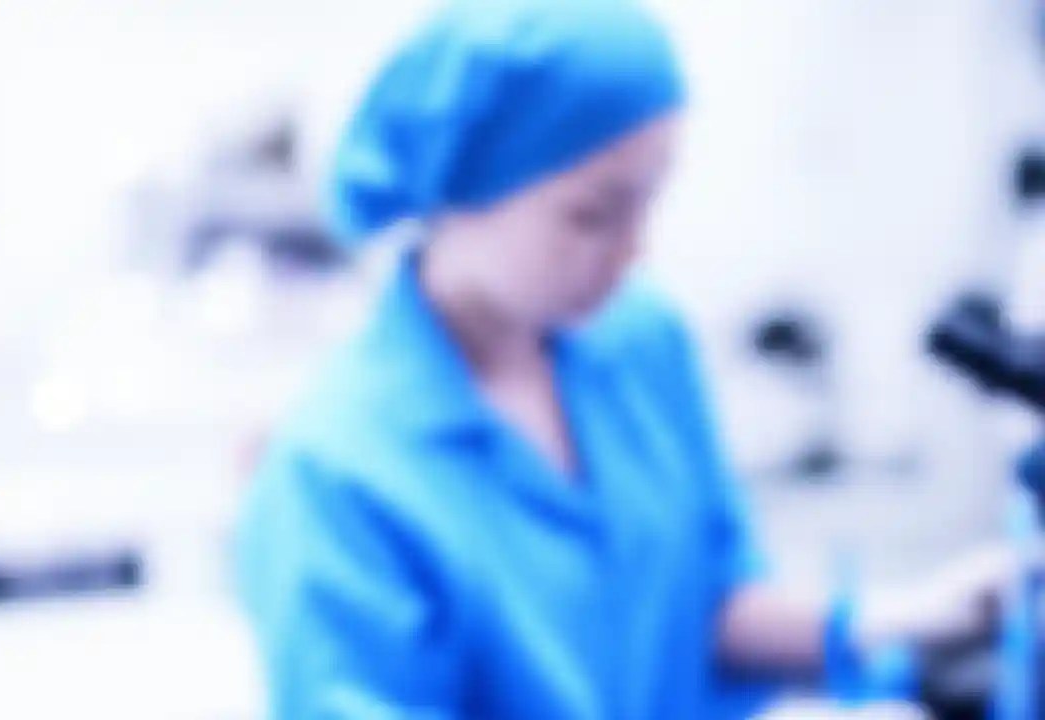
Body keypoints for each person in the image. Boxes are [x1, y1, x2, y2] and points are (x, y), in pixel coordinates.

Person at [236, 1, 1014, 717]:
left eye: (650, 200)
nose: (634, 249)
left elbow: (708, 610)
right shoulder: (337, 472)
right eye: (593, 214)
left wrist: (909, 616)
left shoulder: (640, 343)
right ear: (464, 186)